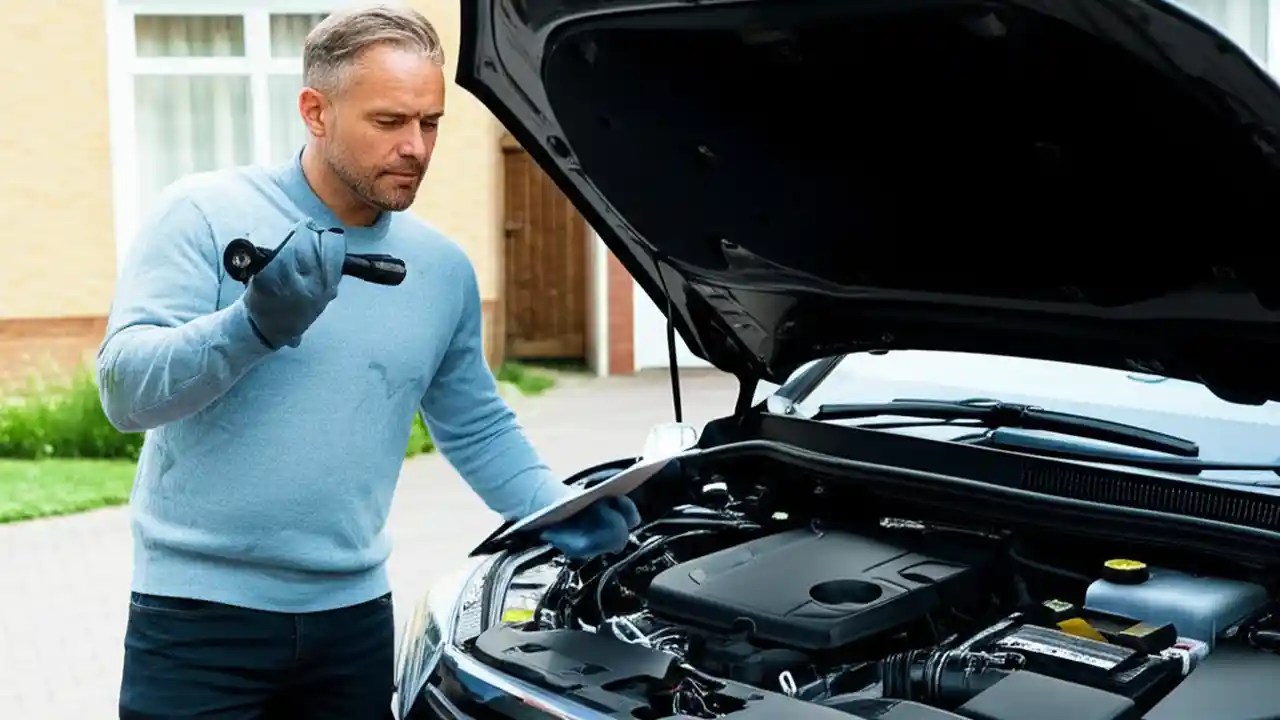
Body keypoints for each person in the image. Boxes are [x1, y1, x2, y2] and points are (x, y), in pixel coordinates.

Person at [97, 4, 640, 718]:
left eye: (431, 122)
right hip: (198, 621)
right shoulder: (202, 215)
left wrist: (553, 511)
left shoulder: (442, 269)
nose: (415, 146)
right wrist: (253, 327)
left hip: (350, 624)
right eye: (389, 122)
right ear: (315, 112)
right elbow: (125, 392)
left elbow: (475, 425)